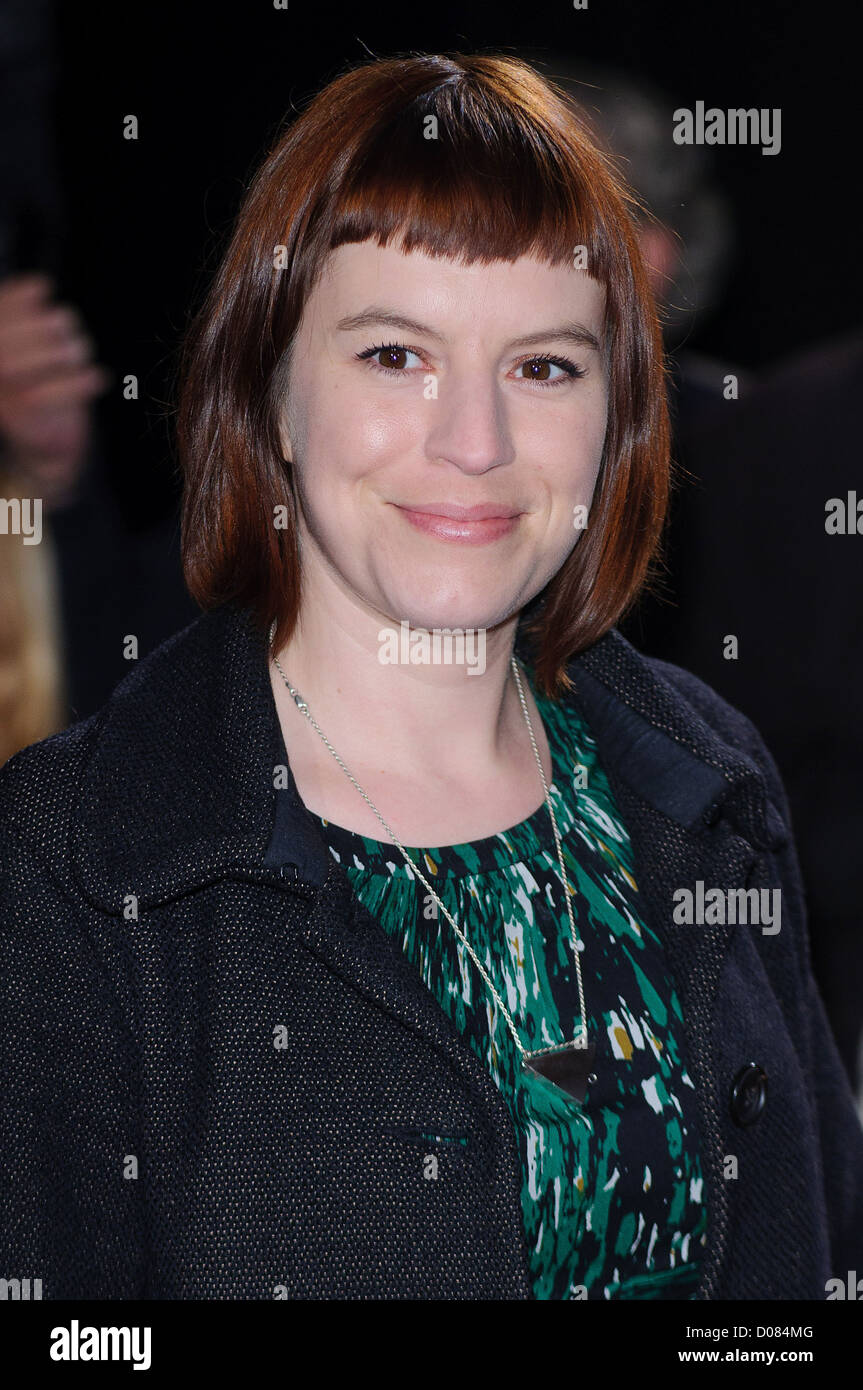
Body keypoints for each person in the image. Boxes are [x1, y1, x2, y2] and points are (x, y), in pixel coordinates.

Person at [1, 51, 861, 1302]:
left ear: (617, 416)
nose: (475, 441)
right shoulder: (68, 863)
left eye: (543, 366)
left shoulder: (709, 785)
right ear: (271, 395)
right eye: (395, 355)